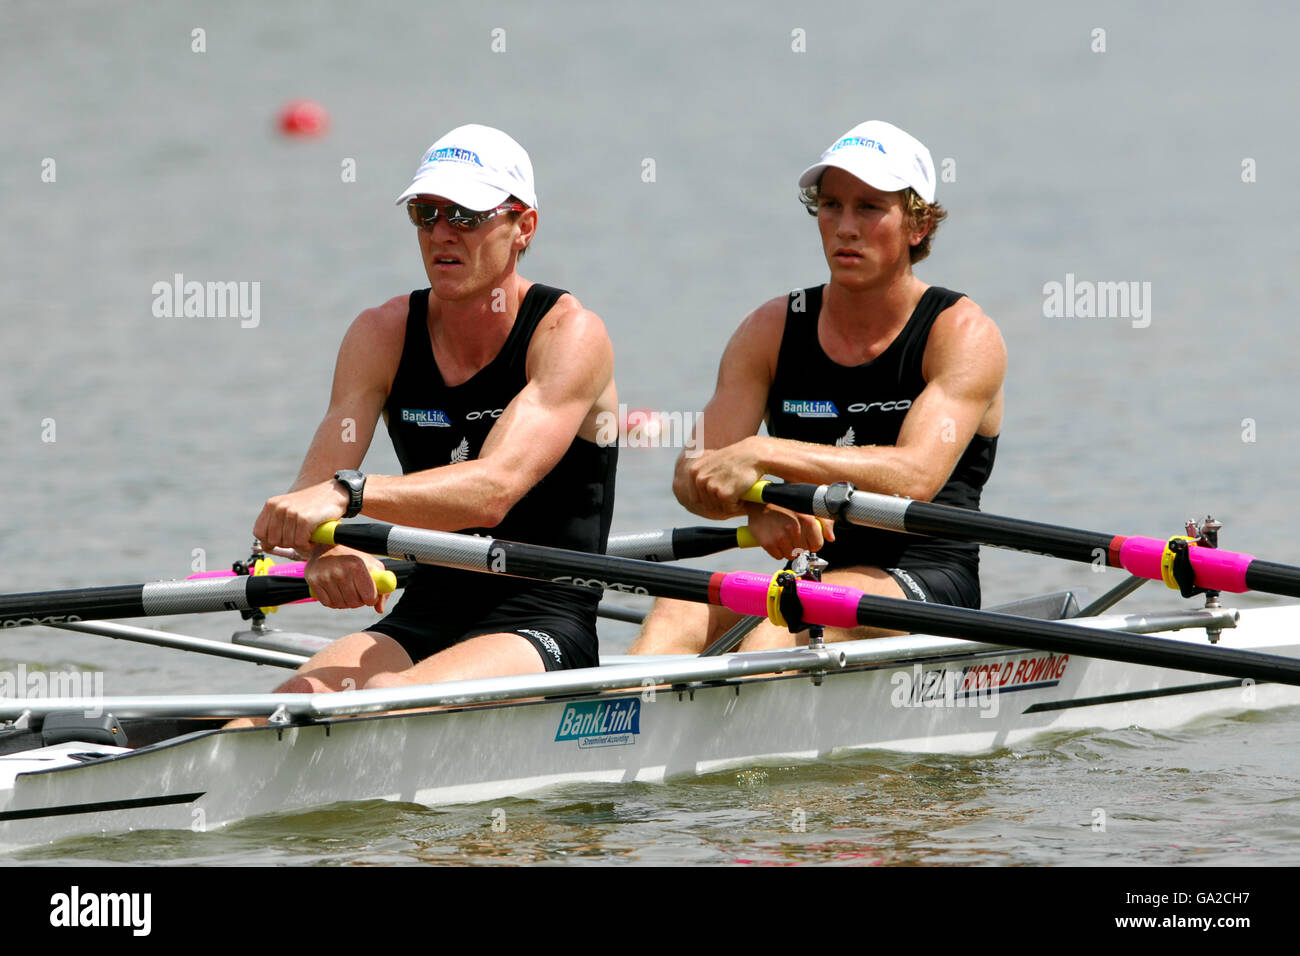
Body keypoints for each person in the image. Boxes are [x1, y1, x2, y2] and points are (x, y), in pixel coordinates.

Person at [238, 124, 618, 713]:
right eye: (426, 212)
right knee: (291, 703)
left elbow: (494, 489)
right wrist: (326, 551)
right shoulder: (381, 334)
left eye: (466, 215)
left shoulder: (568, 334)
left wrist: (347, 497)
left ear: (524, 227)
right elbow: (306, 502)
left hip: (543, 617)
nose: (442, 233)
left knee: (389, 699)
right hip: (428, 606)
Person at [630, 120, 1004, 654]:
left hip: (926, 581)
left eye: (869, 208)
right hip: (807, 578)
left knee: (779, 629)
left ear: (917, 225)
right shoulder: (772, 328)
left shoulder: (960, 333)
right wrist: (756, 508)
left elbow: (915, 475)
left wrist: (764, 454)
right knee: (679, 605)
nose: (845, 227)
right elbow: (693, 474)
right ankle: (617, 726)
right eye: (831, 205)